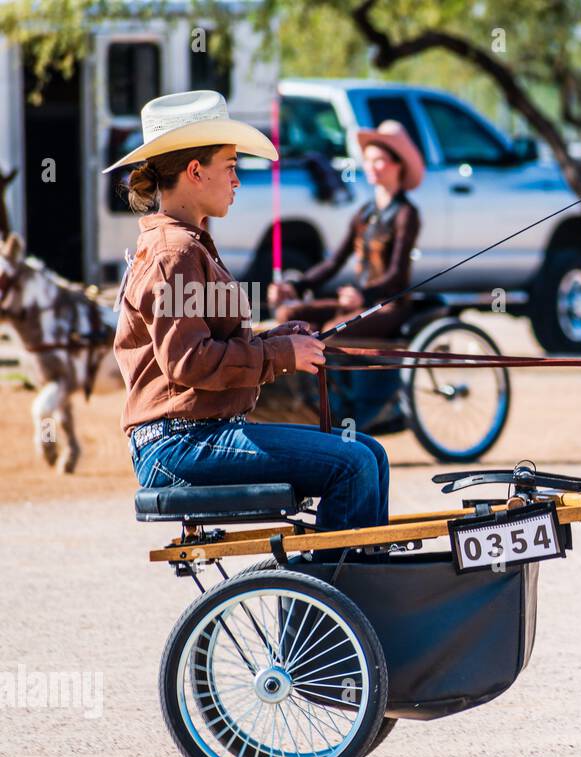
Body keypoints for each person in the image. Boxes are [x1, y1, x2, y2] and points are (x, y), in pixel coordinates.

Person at [106, 89, 390, 546]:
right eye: (231, 168)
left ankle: (349, 599)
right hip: (177, 445)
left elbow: (205, 341)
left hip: (198, 434)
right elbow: (189, 363)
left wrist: (277, 338)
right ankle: (328, 608)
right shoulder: (173, 252)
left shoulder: (188, 244)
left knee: (369, 453)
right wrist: (278, 354)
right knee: (353, 462)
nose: (237, 182)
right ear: (196, 172)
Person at [268, 119, 423, 338]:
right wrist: (297, 286)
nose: (371, 166)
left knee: (333, 329)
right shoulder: (364, 213)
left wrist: (363, 295)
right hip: (360, 302)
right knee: (288, 315)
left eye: (379, 160)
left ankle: (333, 371)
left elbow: (396, 274)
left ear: (398, 165)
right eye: (368, 160)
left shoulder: (406, 213)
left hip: (389, 306)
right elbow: (334, 262)